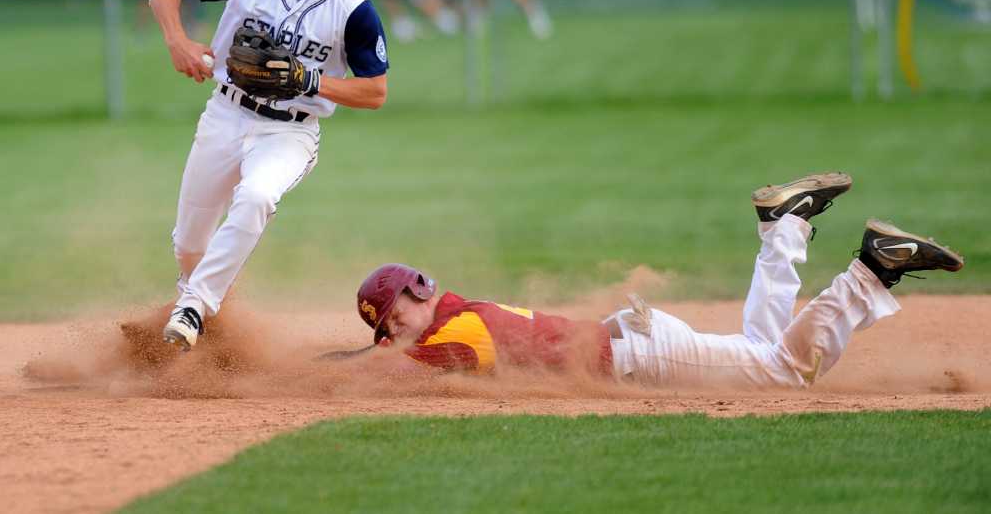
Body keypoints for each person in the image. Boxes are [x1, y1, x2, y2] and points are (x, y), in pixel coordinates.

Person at [344, 173, 965, 388]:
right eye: (385, 332)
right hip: (639, 343)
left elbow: (409, 370)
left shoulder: (464, 330)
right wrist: (359, 351)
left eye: (394, 318)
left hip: (647, 355)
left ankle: (872, 269)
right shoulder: (458, 315)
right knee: (765, 347)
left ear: (419, 292)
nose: (394, 333)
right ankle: (785, 226)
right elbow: (405, 360)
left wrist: (326, 371)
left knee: (787, 372)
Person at [147, 0, 390, 350]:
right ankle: (198, 306)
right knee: (188, 247)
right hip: (225, 114)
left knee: (257, 195)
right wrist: (176, 40)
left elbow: (375, 92)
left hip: (290, 132)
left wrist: (309, 79)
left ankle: (194, 308)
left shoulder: (353, 8)